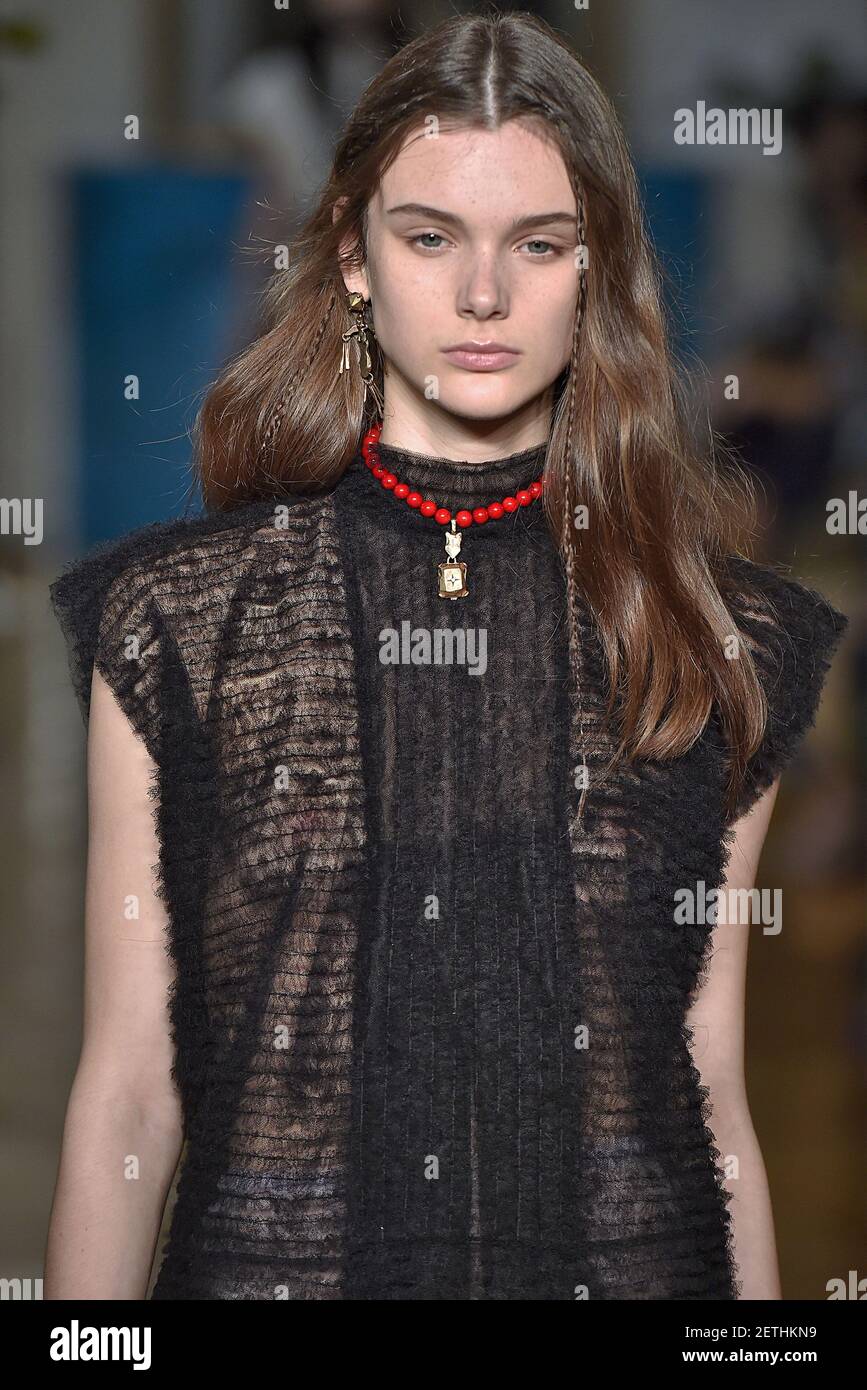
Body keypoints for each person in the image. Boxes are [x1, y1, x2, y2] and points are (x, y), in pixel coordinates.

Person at [44, 11, 848, 1300]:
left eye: (538, 245)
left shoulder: (716, 634)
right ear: (355, 254)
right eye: (431, 239)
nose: (483, 296)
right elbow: (130, 1091)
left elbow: (710, 1099)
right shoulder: (179, 625)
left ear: (596, 268)